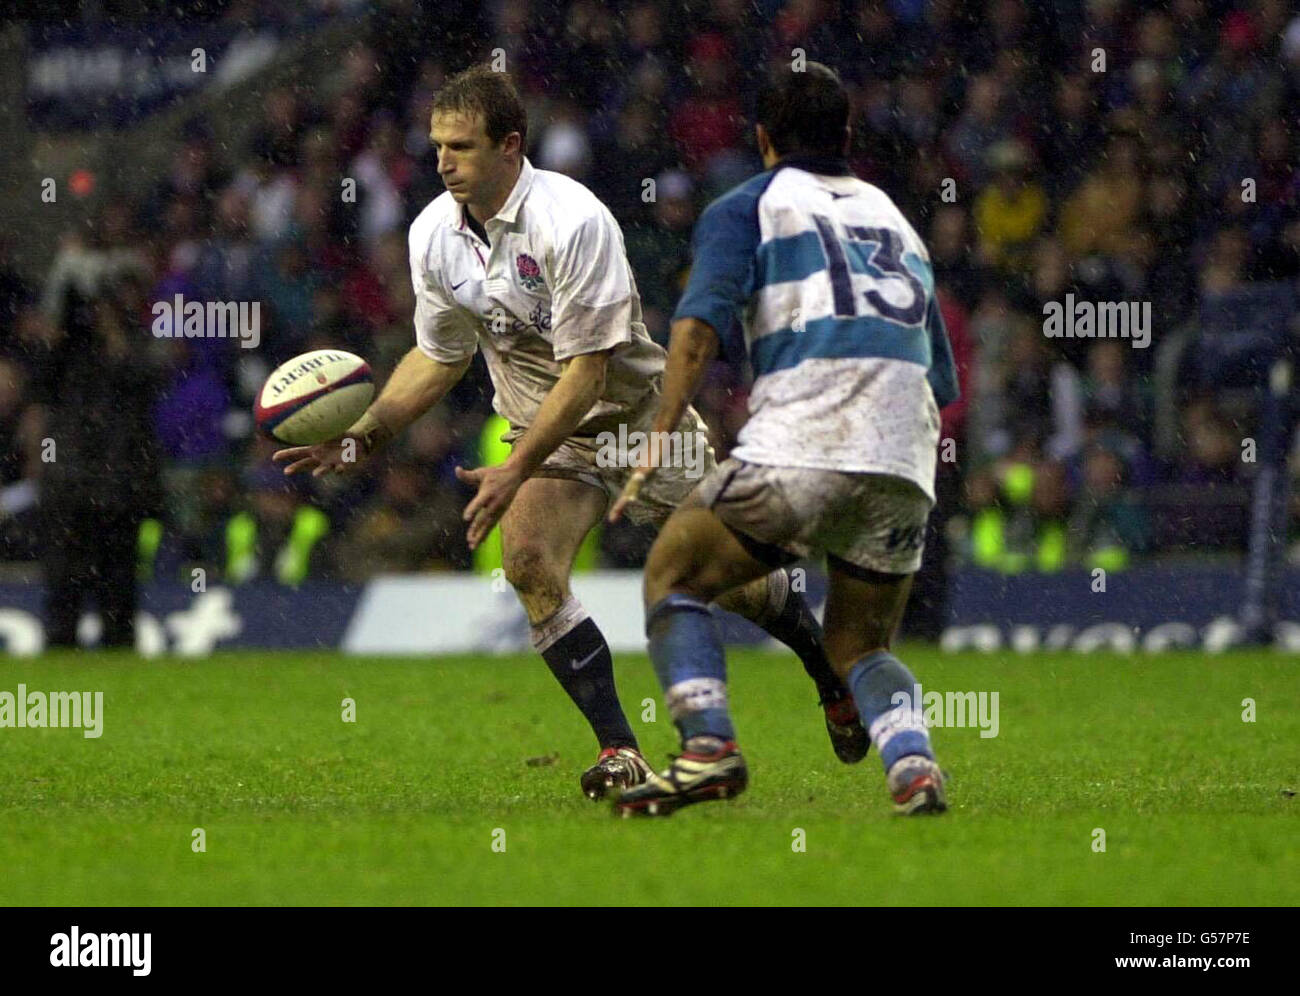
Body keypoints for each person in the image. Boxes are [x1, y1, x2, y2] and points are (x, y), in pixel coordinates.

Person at [275, 65, 864, 801]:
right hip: (545, 433)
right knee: (526, 561)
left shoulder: (573, 221)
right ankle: (620, 749)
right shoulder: (434, 234)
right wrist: (366, 433)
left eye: (460, 147)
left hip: (640, 423)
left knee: (735, 585)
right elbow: (438, 354)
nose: (443, 162)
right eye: (436, 147)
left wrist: (515, 466)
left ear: (511, 146)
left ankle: (826, 669)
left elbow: (588, 372)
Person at [609, 63, 959, 817]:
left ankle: (708, 748)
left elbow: (699, 326)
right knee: (861, 646)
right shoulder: (895, 219)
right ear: (848, 136)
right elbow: (942, 377)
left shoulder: (748, 206)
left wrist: (659, 432)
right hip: (905, 455)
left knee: (674, 574)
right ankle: (914, 766)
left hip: (806, 438)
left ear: (763, 138)